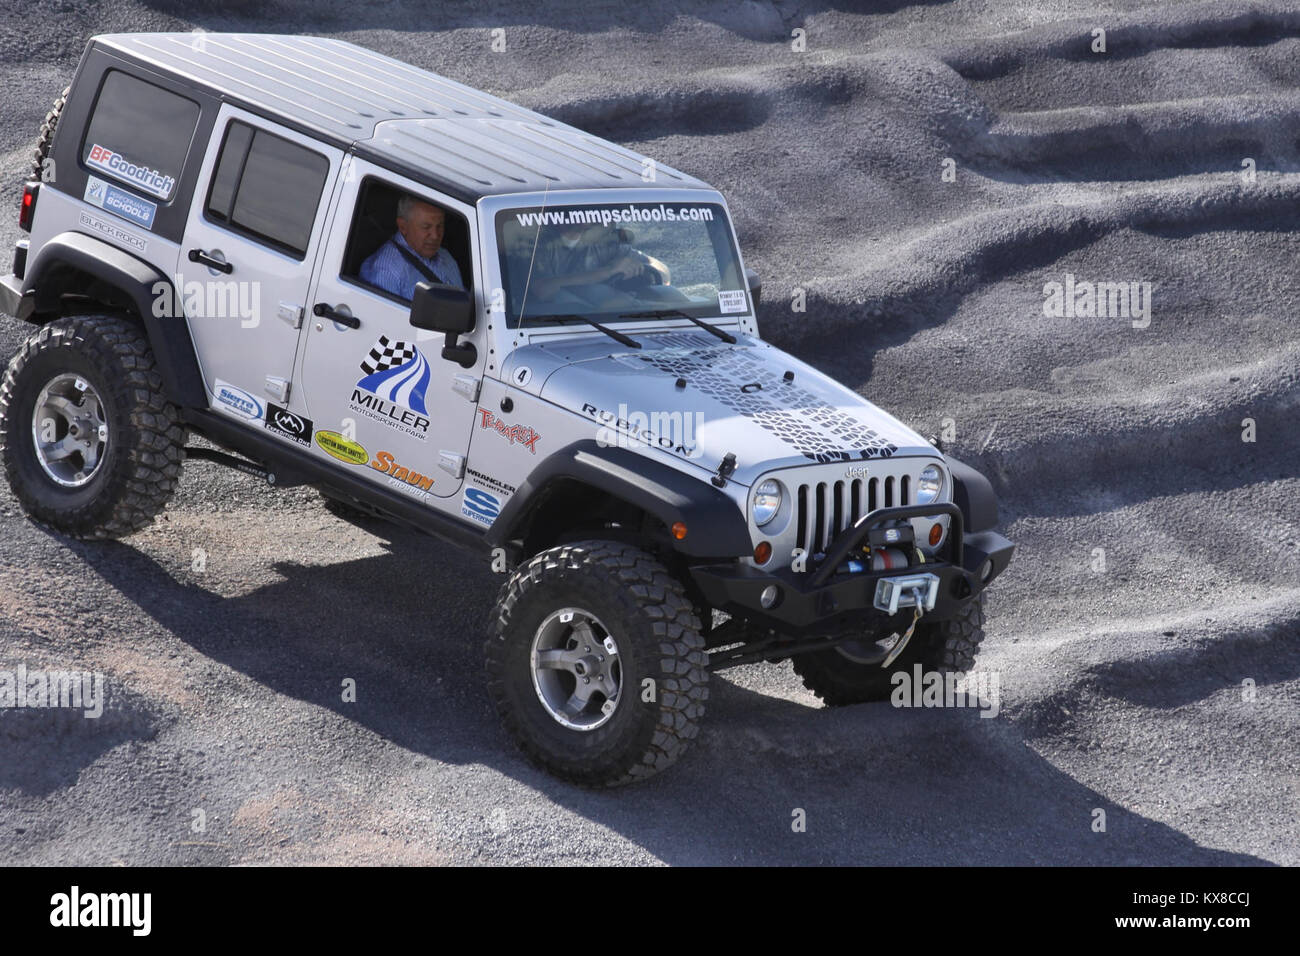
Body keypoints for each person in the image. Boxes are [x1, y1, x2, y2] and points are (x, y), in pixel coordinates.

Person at [361, 195, 464, 299]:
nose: (435, 235)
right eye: (426, 227)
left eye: (439, 226)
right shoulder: (387, 272)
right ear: (403, 227)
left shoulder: (445, 256)